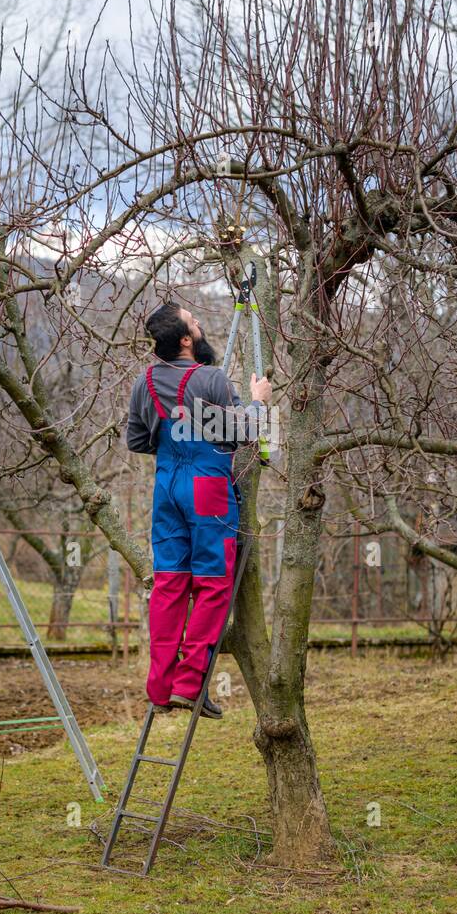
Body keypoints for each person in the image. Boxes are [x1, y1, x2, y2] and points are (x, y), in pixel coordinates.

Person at [126, 302, 272, 718]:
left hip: (167, 489)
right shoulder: (211, 378)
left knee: (170, 585)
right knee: (212, 584)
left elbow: (137, 442)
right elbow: (247, 431)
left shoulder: (145, 382)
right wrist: (259, 402)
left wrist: (176, 433)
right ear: (187, 339)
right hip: (206, 490)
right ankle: (190, 684)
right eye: (194, 321)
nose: (201, 323)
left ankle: (160, 688)